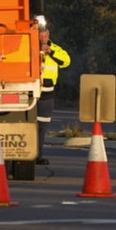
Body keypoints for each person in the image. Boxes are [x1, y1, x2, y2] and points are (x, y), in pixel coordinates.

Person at [36, 16, 71, 166]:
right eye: (40, 34)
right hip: (31, 92)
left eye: (45, 34)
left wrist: (51, 52)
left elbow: (66, 61)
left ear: (48, 34)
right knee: (30, 125)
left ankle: (38, 155)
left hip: (47, 94)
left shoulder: (55, 48)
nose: (43, 37)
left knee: (42, 127)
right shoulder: (27, 48)